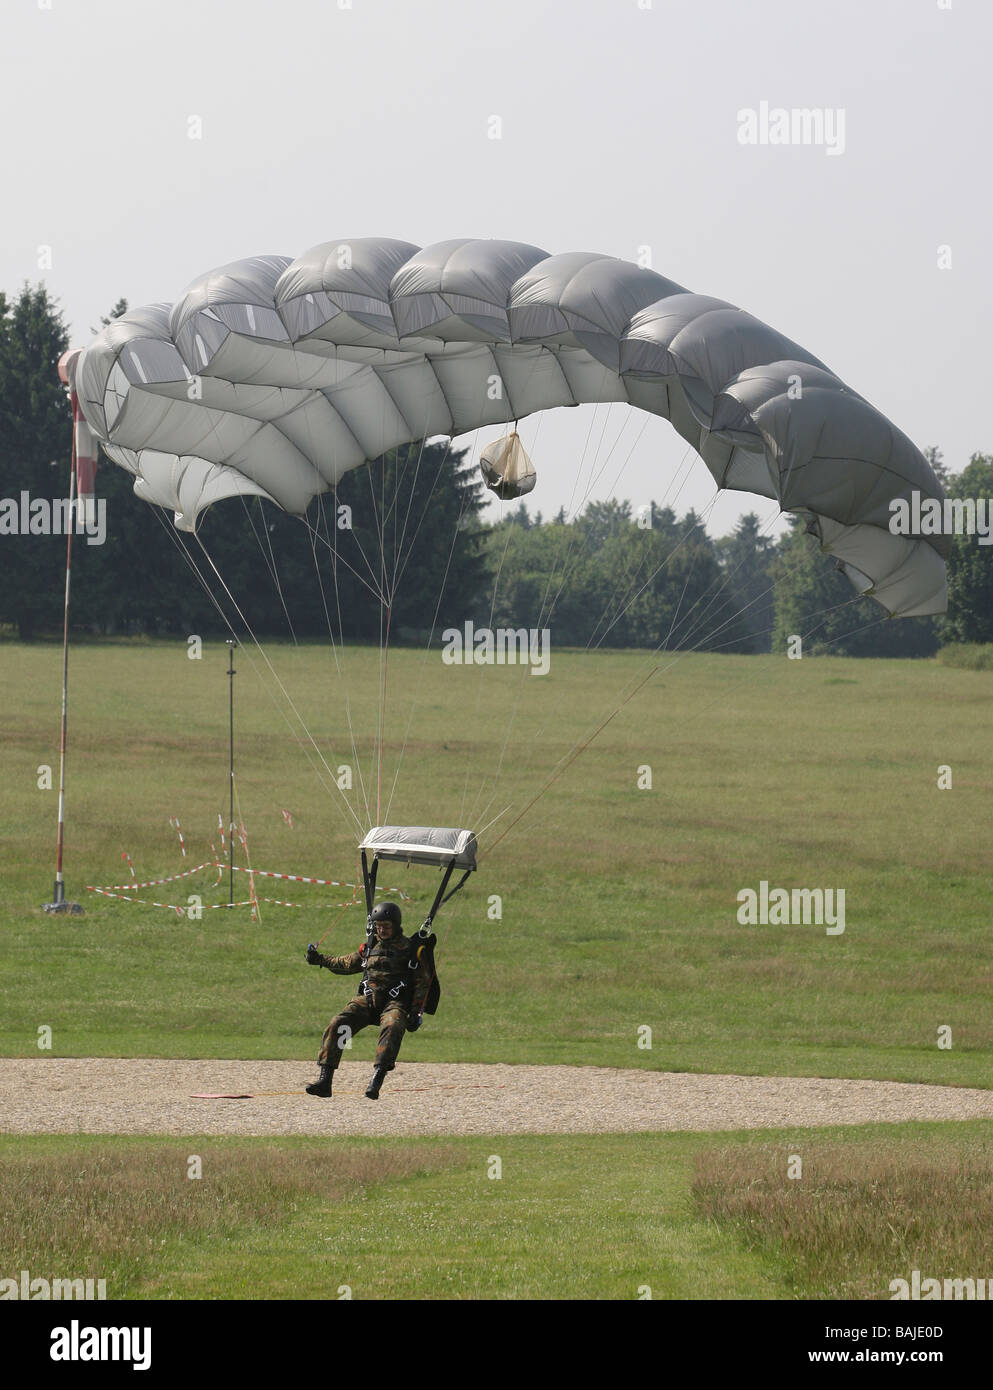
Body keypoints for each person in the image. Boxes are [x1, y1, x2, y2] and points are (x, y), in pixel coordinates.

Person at [304, 901, 428, 1099]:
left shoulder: (410, 949)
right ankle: (325, 1080)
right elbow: (345, 964)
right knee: (339, 1023)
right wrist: (319, 959)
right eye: (379, 926)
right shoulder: (369, 947)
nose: (382, 930)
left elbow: (423, 983)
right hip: (368, 1001)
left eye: (386, 926)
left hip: (394, 1003)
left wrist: (415, 1012)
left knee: (393, 1024)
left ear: (396, 926)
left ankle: (376, 1080)